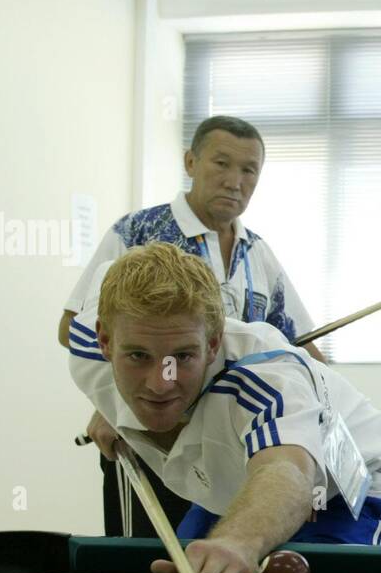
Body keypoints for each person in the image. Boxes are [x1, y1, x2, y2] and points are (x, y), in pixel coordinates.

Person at [68, 242, 381, 573]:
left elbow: (287, 470)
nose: (160, 383)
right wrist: (110, 403)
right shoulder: (87, 351)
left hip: (355, 486)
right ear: (104, 342)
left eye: (184, 356)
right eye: (138, 356)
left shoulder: (266, 376)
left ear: (214, 341)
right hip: (235, 478)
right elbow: (106, 272)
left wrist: (239, 543)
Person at [57, 115, 325, 535]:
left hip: (233, 445)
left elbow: (297, 348)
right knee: (144, 568)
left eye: (248, 170)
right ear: (191, 162)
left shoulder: (259, 253)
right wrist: (111, 403)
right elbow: (76, 327)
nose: (234, 180)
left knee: (232, 555)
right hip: (150, 438)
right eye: (221, 164)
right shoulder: (138, 231)